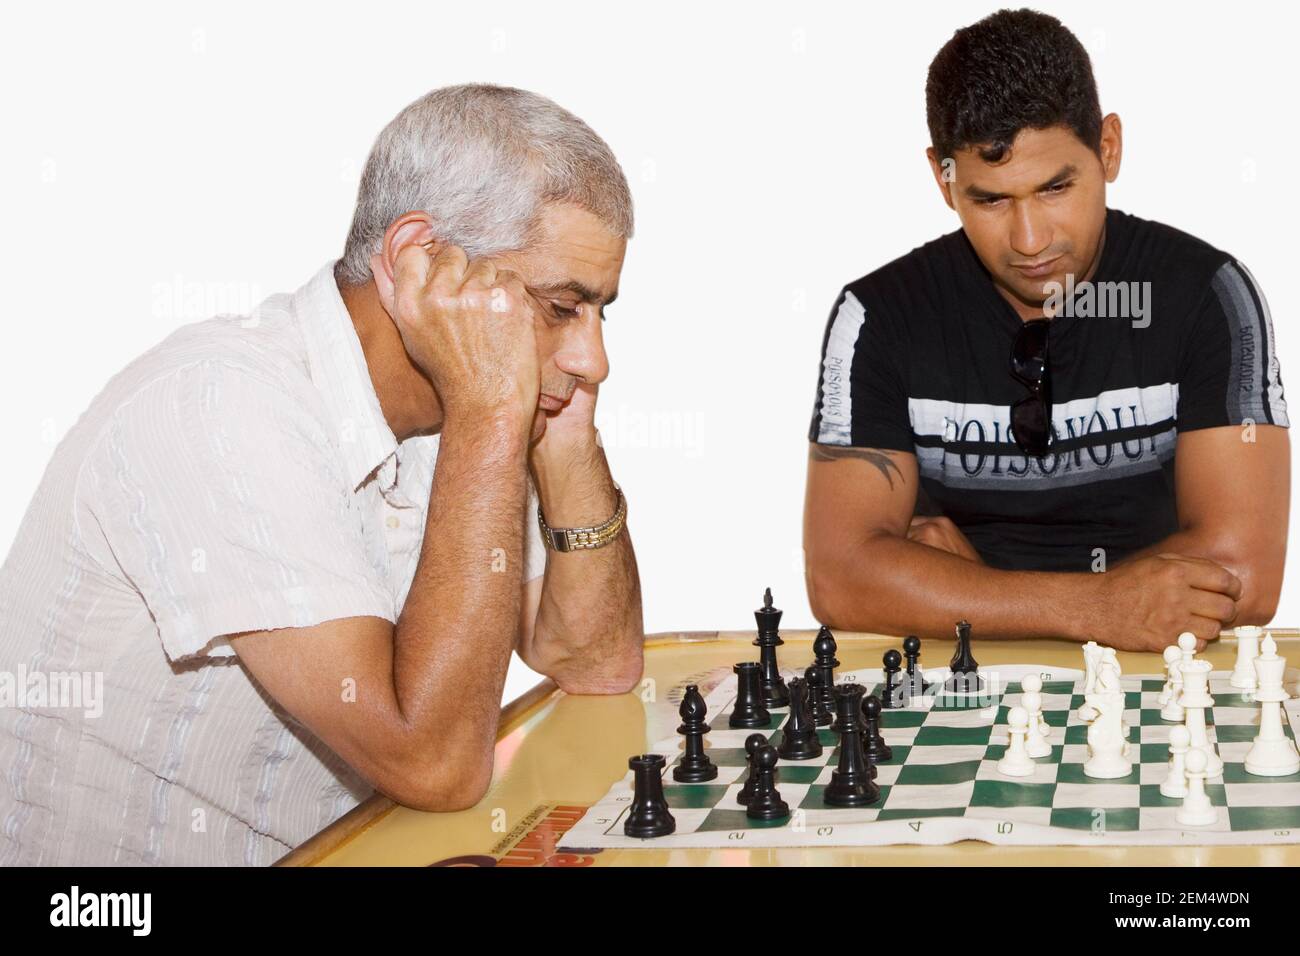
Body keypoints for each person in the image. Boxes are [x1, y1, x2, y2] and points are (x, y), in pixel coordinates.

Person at [0, 84, 644, 865]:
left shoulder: (462, 402)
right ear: (419, 263)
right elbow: (433, 762)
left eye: (599, 312)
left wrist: (567, 430)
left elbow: (599, 663)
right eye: (560, 307)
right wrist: (490, 415)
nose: (595, 359)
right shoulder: (222, 406)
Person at [804, 9, 1289, 652]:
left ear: (1108, 148)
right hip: (967, 692)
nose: (1030, 241)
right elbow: (839, 579)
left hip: (1159, 692)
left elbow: (1246, 576)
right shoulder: (877, 315)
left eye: (1056, 187)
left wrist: (965, 587)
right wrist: (1095, 608)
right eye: (990, 199)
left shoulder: (1207, 294)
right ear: (941, 176)